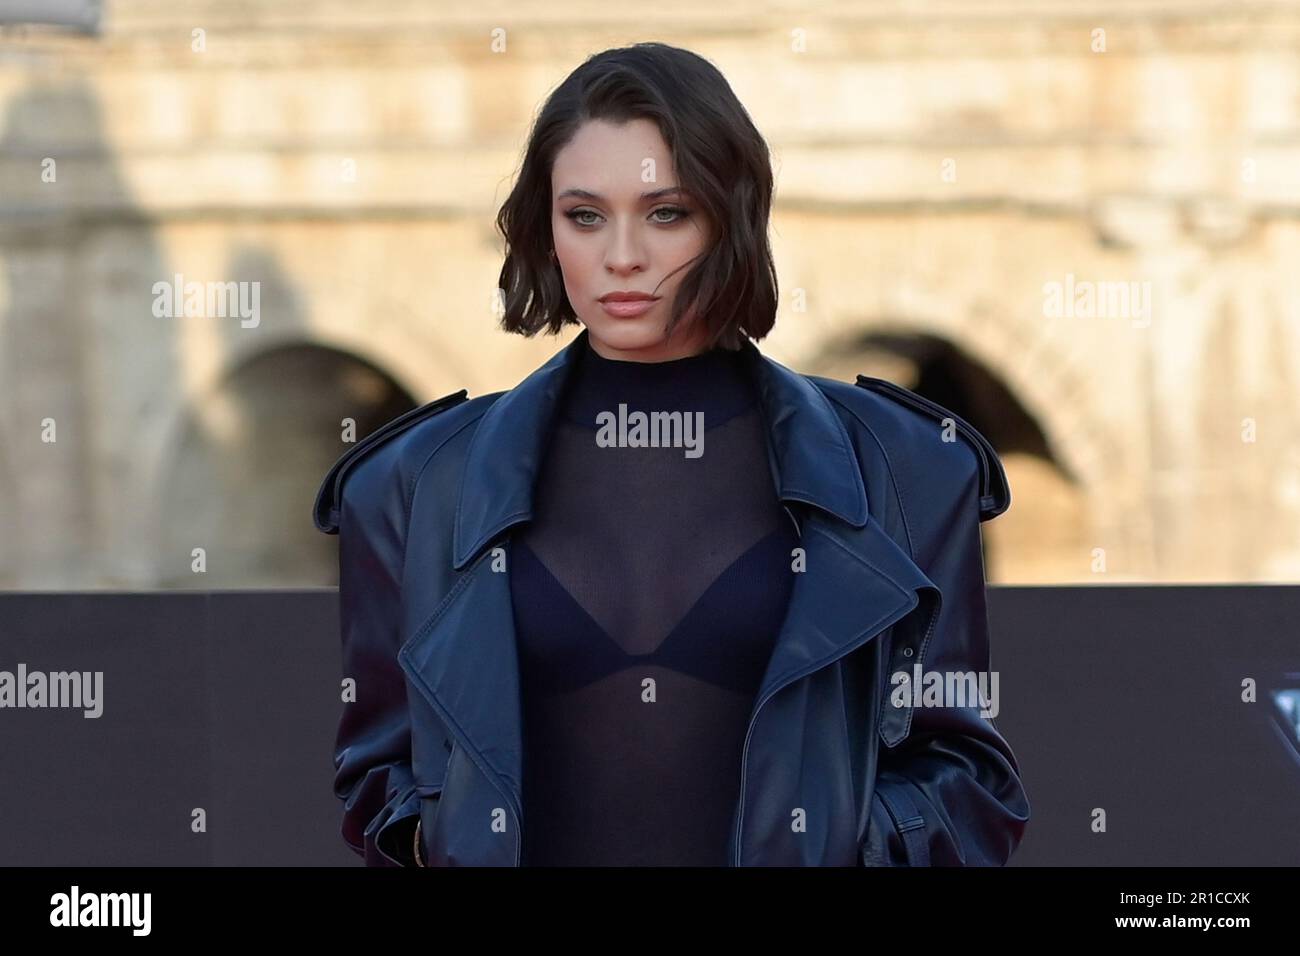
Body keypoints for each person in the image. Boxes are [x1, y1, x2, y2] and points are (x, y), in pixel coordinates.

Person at [313, 41, 1029, 866]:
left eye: (666, 213)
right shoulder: (408, 485)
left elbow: (968, 779)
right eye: (584, 216)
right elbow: (378, 777)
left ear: (732, 215)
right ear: (545, 228)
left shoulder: (910, 469)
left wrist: (836, 851)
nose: (623, 256)